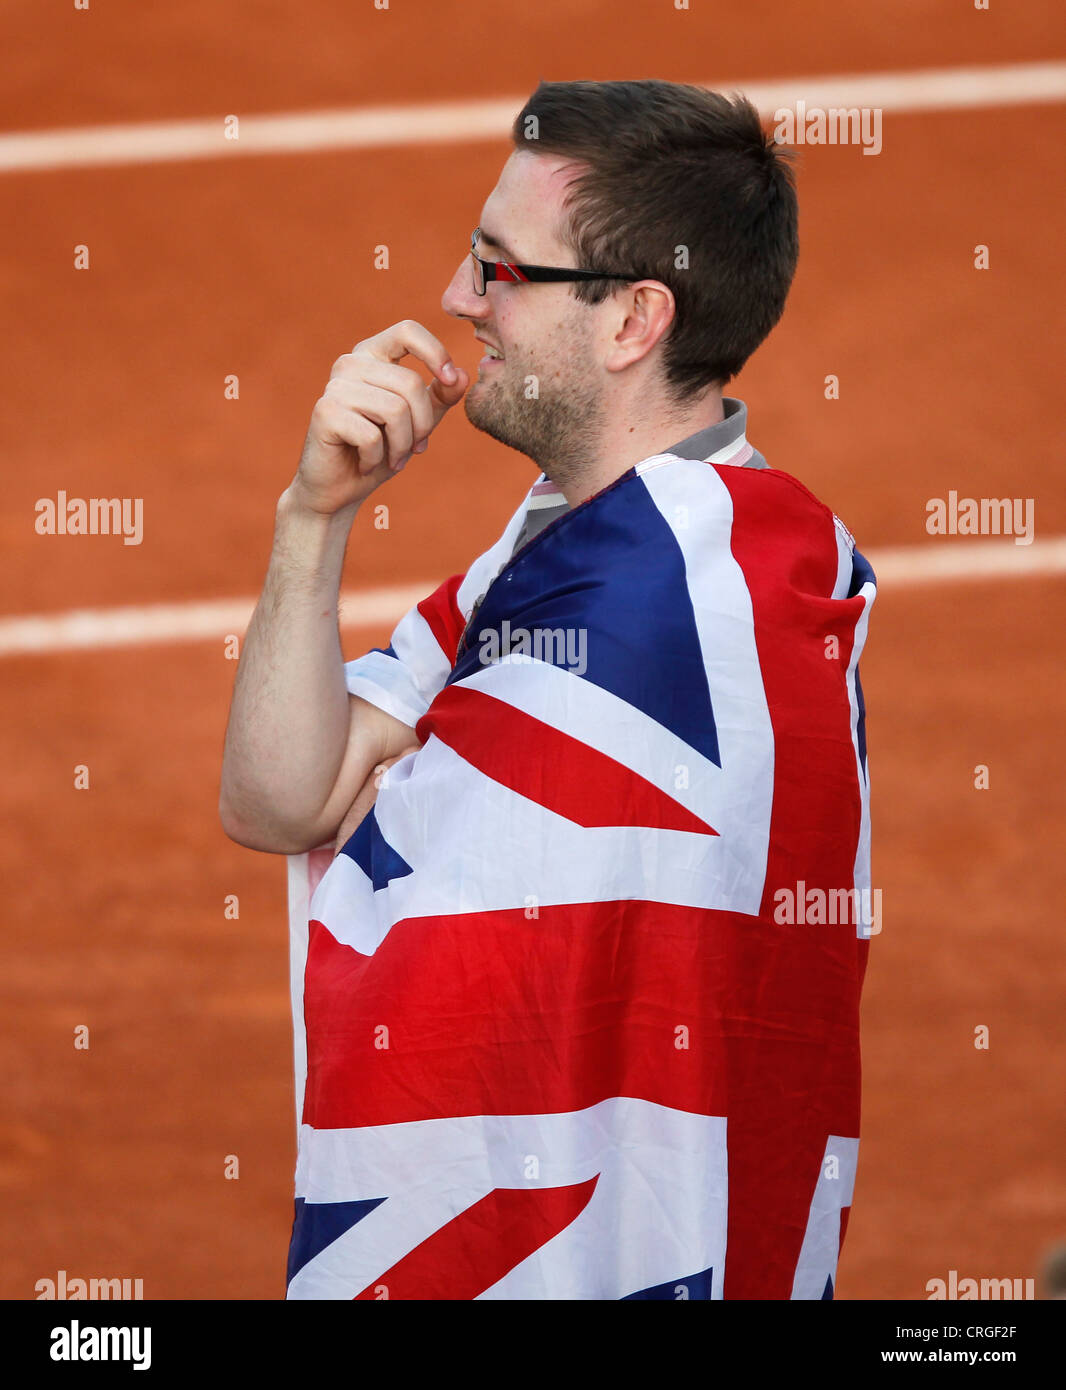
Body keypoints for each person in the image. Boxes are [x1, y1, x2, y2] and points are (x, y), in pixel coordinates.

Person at [220, 78, 877, 1300]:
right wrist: (311, 517)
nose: (458, 300)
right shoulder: (571, 552)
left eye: (496, 269)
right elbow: (278, 798)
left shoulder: (670, 602)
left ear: (632, 320)